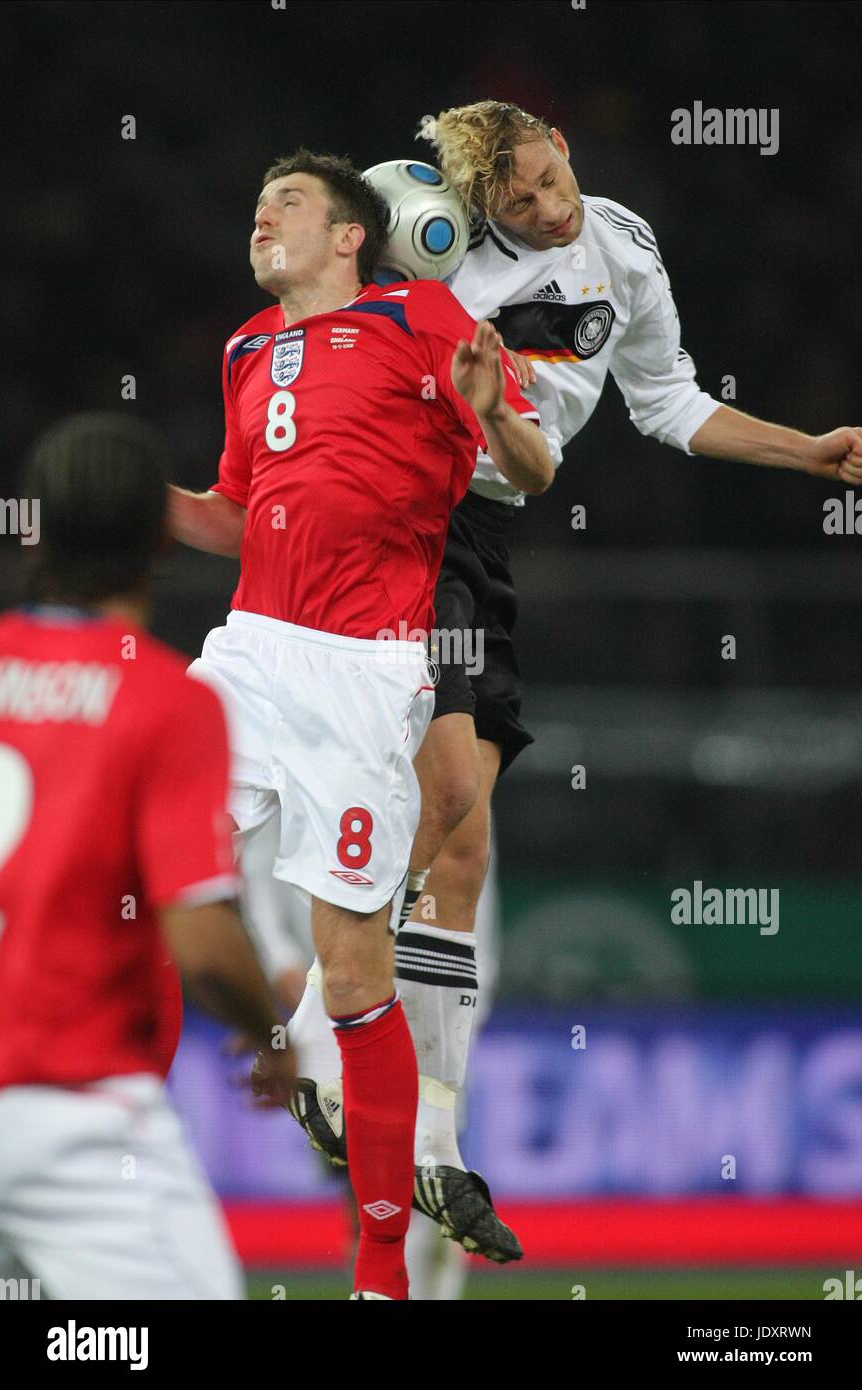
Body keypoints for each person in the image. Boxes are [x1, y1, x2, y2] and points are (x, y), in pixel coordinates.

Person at [289, 101, 862, 1259]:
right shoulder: (432, 248)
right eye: (521, 203)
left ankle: (437, 1146)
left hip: (489, 544)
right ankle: (313, 1040)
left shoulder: (624, 245)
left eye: (554, 181)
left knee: (463, 844)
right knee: (438, 802)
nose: (549, 212)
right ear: (478, 206)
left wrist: (805, 451)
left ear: (563, 151)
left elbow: (667, 402)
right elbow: (321, 299)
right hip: (410, 519)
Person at [168, 149, 550, 1299]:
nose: (260, 219)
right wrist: (147, 500)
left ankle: (382, 1269)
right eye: (253, 204)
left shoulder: (417, 315)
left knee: (351, 973)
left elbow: (531, 474)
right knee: (119, 856)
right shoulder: (243, 348)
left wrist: (489, 419)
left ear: (348, 234)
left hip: (365, 670)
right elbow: (237, 517)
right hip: (248, 651)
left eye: (284, 202)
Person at [0, 413, 295, 1300]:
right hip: (75, 1118)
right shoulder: (168, 702)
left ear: (36, 530)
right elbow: (201, 943)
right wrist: (272, 1037)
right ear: (160, 542)